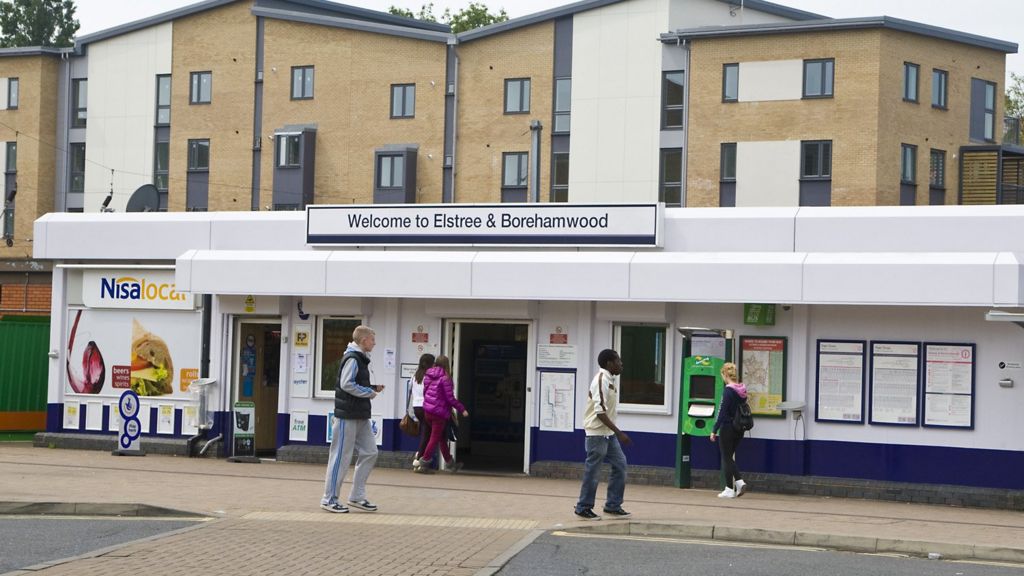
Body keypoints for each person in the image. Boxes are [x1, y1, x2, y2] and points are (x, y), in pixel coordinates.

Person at [320, 325, 383, 513]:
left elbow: (355, 383)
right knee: (340, 457)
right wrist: (369, 392)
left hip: (360, 415)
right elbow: (346, 384)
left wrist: (371, 388)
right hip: (347, 416)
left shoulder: (361, 359)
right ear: (364, 340)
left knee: (370, 452)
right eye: (372, 339)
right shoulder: (353, 358)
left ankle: (356, 496)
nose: (374, 343)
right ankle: (329, 499)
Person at [574, 349, 632, 521]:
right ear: (609, 363)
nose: (621, 364)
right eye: (618, 361)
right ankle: (583, 507)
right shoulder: (601, 380)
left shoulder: (610, 380)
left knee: (620, 465)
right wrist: (619, 433)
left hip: (608, 433)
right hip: (596, 434)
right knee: (593, 472)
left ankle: (612, 505)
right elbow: (600, 412)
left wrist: (614, 433)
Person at [416, 355, 468, 474]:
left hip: (428, 411)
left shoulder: (428, 376)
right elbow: (450, 398)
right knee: (435, 438)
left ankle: (450, 463)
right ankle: (424, 463)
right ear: (447, 365)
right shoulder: (445, 378)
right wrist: (462, 409)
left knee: (441, 438)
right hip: (439, 414)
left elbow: (425, 392)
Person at [710, 362, 748, 499]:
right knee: (728, 458)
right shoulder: (742, 391)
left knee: (726, 457)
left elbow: (722, 412)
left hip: (727, 428)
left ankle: (736, 484)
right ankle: (731, 487)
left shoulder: (728, 391)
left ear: (725, 375)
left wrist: (714, 429)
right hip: (739, 428)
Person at [408, 353, 435, 471]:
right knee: (426, 434)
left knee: (425, 432)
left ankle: (420, 457)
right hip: (426, 406)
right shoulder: (429, 376)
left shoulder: (415, 376)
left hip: (416, 407)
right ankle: (419, 459)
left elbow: (410, 390)